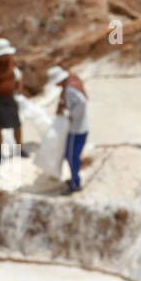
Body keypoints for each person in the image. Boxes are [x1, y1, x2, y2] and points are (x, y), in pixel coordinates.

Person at [47, 65, 89, 193]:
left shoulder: (70, 90)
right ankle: (74, 179)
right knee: (72, 155)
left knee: (71, 156)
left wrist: (72, 116)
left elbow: (82, 103)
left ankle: (75, 184)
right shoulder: (70, 85)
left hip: (76, 129)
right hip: (81, 126)